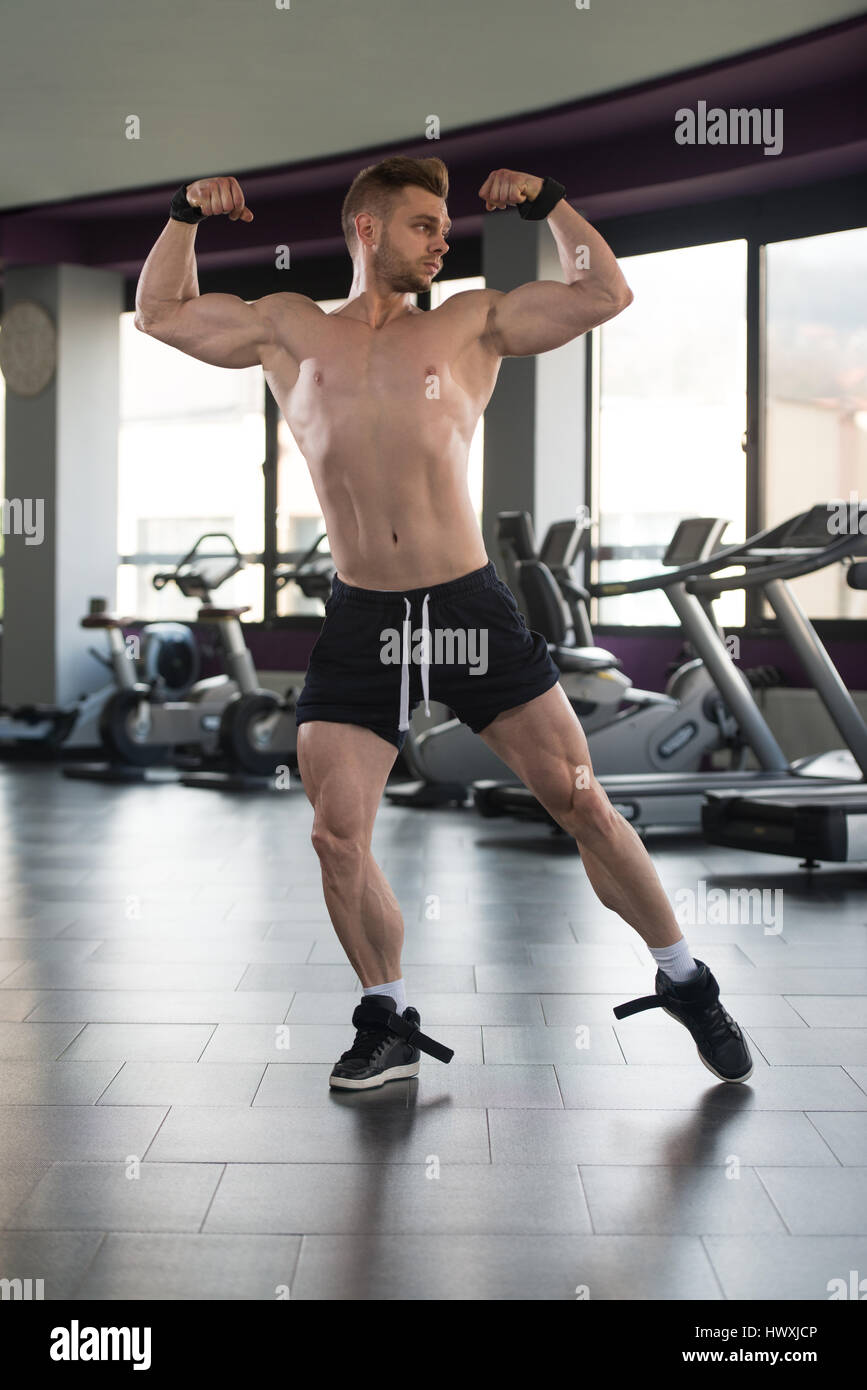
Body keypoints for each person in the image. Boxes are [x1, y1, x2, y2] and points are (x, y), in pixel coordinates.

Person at [134, 157, 753, 1092]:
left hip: (466, 604)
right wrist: (183, 213)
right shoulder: (288, 329)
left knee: (580, 799)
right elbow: (162, 312)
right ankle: (386, 1013)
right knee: (334, 835)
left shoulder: (469, 323)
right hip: (360, 615)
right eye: (424, 224)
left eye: (444, 228)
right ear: (369, 230)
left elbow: (604, 292)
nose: (440, 242)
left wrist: (548, 202)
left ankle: (683, 978)